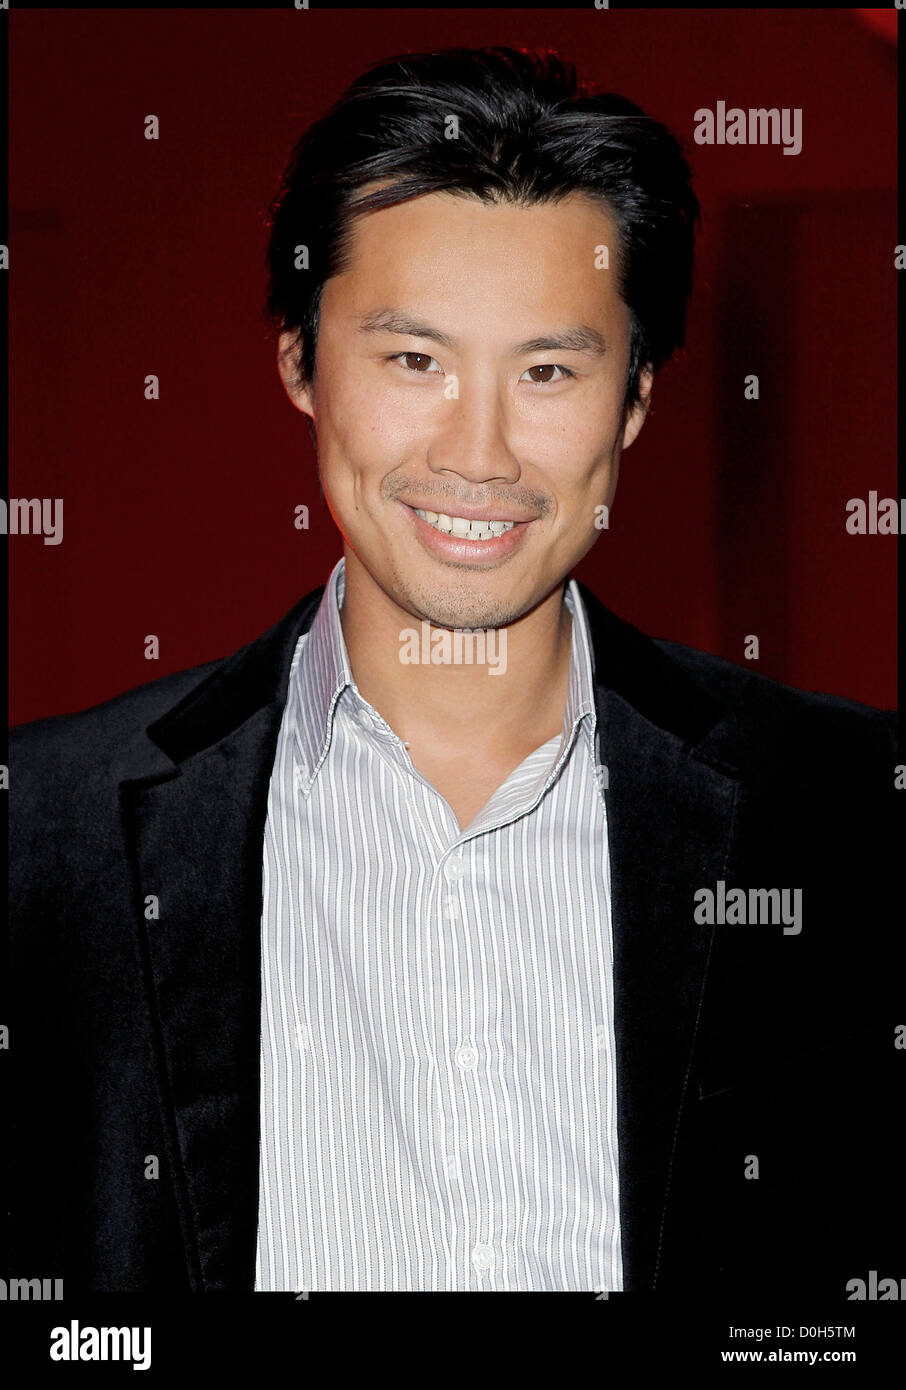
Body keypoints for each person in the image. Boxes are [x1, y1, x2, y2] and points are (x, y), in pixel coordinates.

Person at [7, 47, 899, 1295]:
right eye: (413, 361)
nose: (478, 454)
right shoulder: (47, 837)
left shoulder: (855, 813)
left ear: (635, 399)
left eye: (548, 371)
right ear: (300, 364)